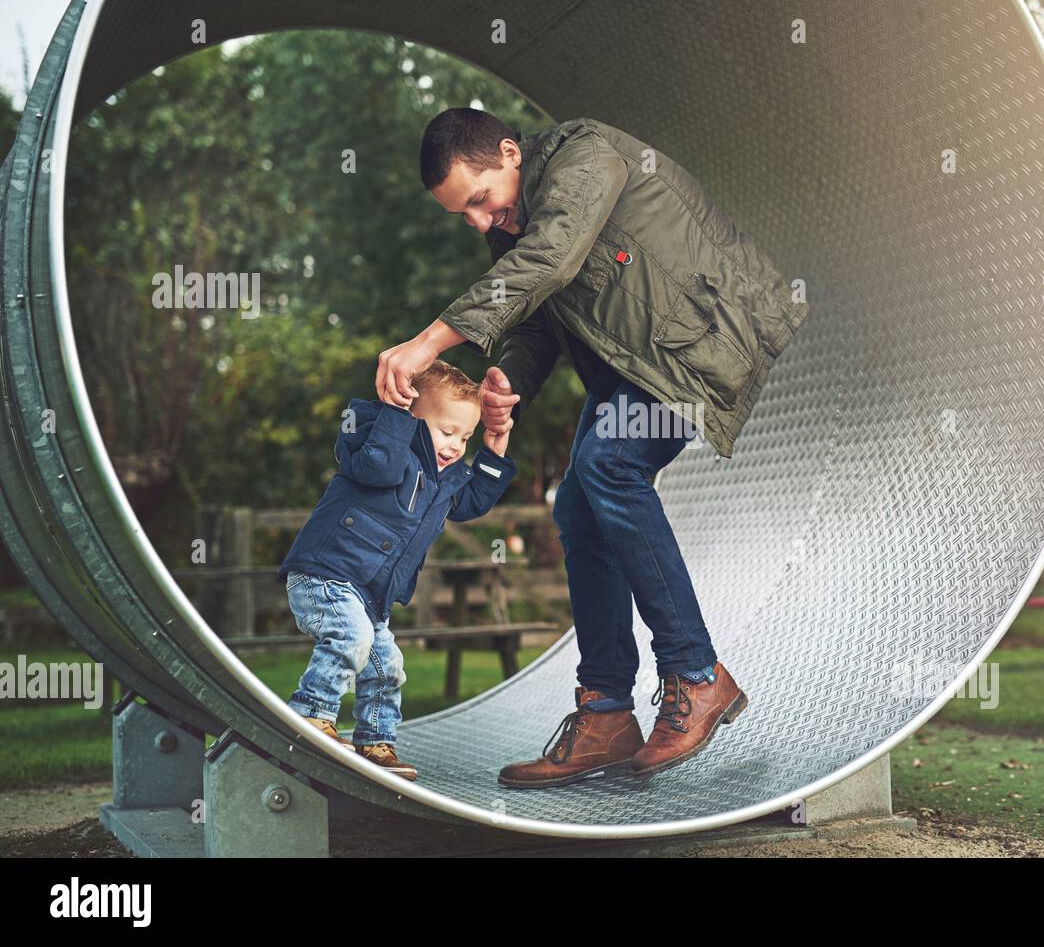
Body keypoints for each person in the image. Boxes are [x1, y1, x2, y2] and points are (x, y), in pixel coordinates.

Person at [374, 109, 809, 786]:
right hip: (635, 369)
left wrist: (430, 341)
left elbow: (553, 255)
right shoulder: (514, 224)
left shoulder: (587, 156)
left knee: (608, 466)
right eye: (464, 215)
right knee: (578, 506)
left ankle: (696, 675)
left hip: (700, 342)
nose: (481, 223)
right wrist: (505, 378)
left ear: (512, 153)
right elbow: (536, 324)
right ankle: (606, 711)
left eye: (481, 201)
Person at [277, 361, 516, 780]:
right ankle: (311, 716)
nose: (457, 446)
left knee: (387, 665)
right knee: (352, 638)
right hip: (326, 573)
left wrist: (494, 451)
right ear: (411, 416)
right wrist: (394, 414)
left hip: (371, 595)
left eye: (465, 436)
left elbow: (472, 503)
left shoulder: (445, 480)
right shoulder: (379, 444)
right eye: (447, 431)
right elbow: (379, 468)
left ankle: (376, 740)